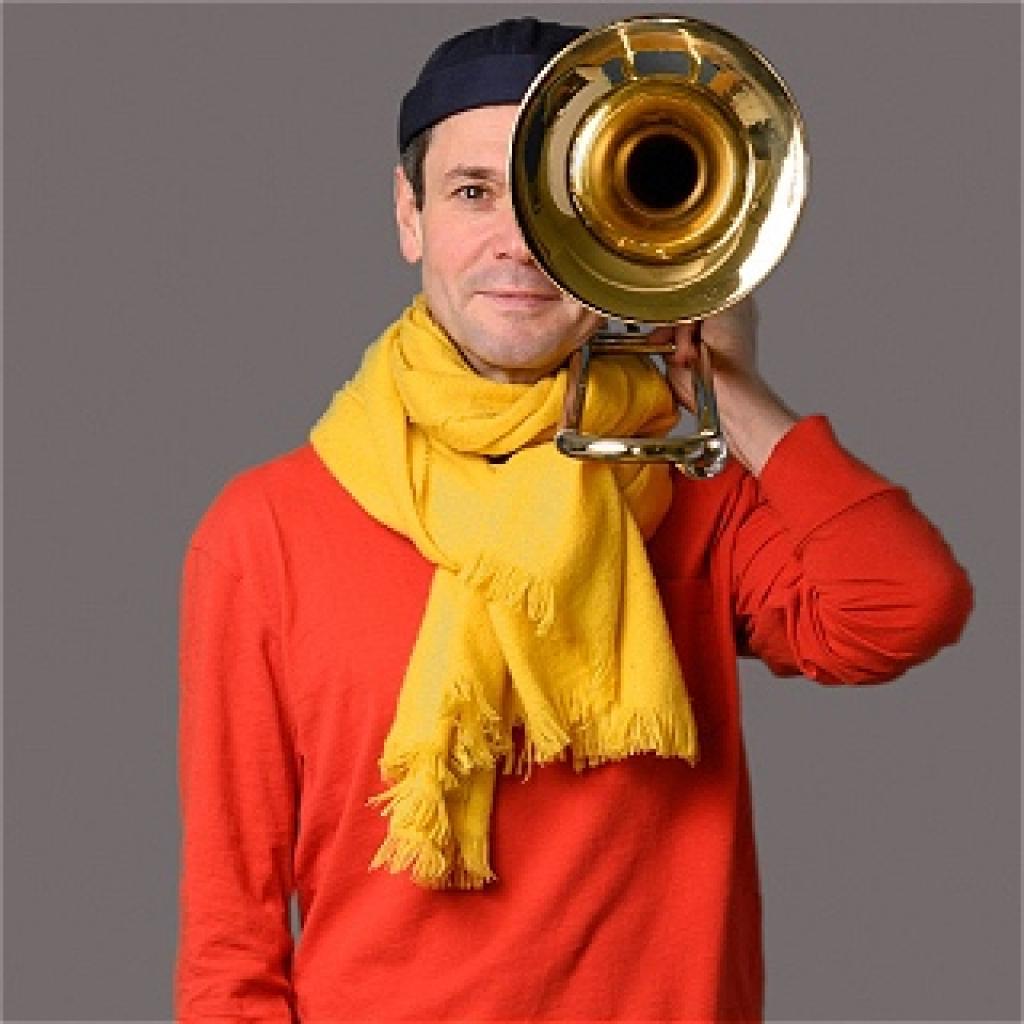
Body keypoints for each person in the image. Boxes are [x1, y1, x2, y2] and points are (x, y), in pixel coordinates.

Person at [174, 16, 973, 1023]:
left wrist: (733, 386)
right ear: (407, 214)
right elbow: (228, 934)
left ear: (616, 230)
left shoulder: (689, 484)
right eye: (472, 192)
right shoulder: (263, 528)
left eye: (555, 204)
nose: (518, 244)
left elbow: (902, 608)